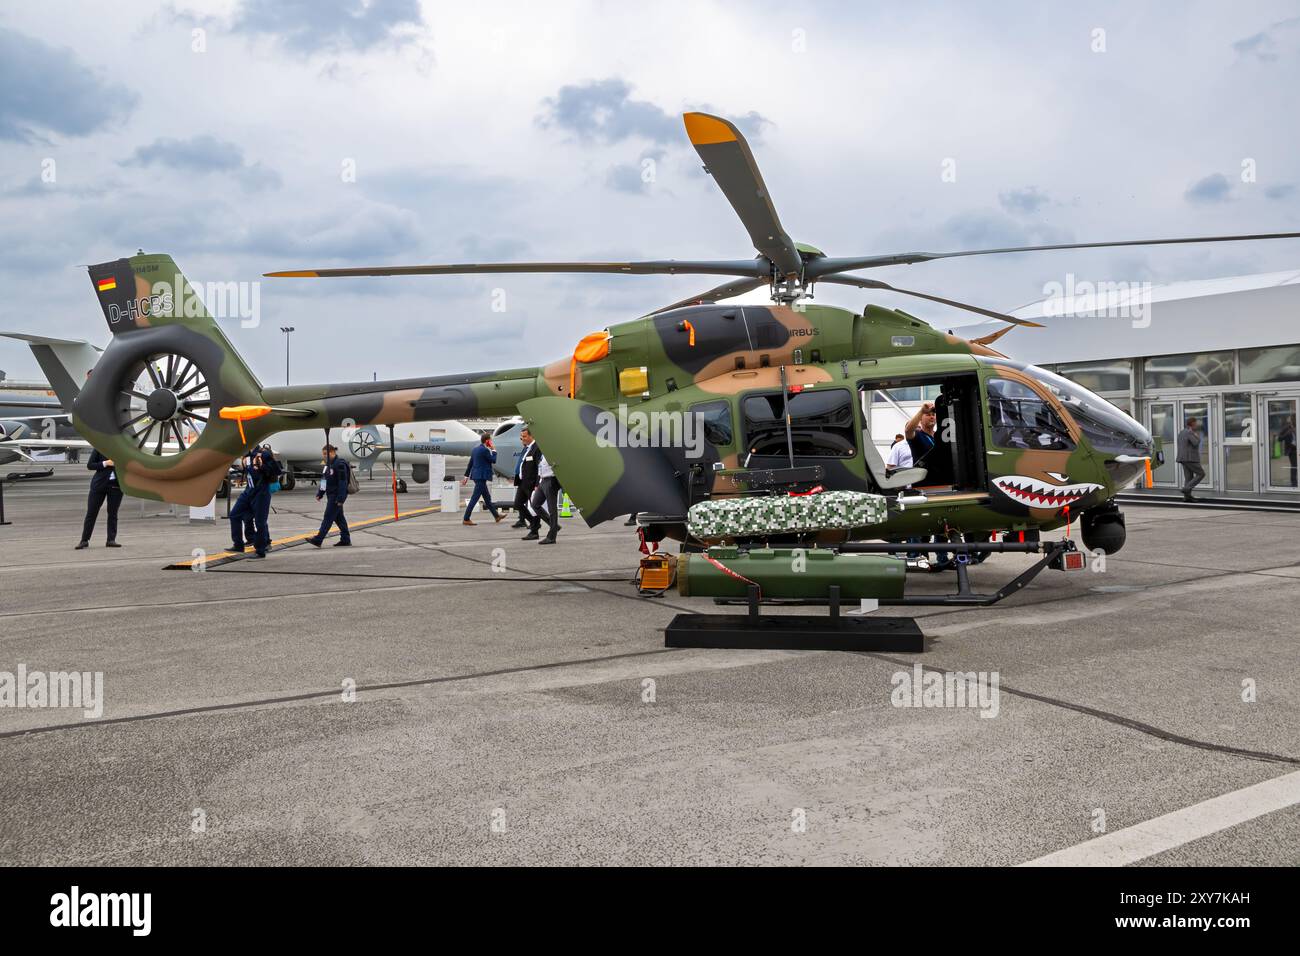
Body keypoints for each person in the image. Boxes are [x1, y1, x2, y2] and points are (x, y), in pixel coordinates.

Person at [76, 448, 123, 549]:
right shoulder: (100, 448)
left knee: (113, 513)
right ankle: (84, 540)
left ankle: (111, 540)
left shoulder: (123, 450)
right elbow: (90, 465)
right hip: (99, 485)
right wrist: (106, 463)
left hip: (116, 486)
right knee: (91, 513)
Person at [308, 444, 352, 547]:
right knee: (339, 518)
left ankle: (318, 539)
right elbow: (324, 480)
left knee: (328, 517)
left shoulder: (340, 464)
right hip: (330, 495)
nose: (324, 456)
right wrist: (320, 493)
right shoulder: (328, 465)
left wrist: (341, 498)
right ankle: (345, 539)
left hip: (336, 496)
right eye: (323, 454)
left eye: (325, 454)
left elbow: (343, 482)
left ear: (332, 453)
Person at [461, 433, 505, 525]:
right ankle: (466, 518)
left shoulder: (475, 450)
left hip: (477, 476)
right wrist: (494, 450)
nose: (492, 442)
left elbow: (470, 464)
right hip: (481, 477)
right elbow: (493, 460)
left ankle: (496, 516)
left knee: (487, 499)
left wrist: (466, 476)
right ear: (487, 441)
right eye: (491, 440)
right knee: (474, 498)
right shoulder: (485, 450)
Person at [524, 449, 561, 544]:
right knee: (535, 504)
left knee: (552, 508)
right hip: (543, 480)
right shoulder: (543, 452)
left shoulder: (554, 450)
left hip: (551, 480)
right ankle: (554, 525)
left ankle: (551, 537)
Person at [511, 427, 541, 528]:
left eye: (524, 436)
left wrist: (537, 484)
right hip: (522, 482)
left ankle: (543, 525)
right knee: (517, 504)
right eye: (521, 437)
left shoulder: (537, 448)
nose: (522, 439)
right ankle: (533, 523)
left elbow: (538, 468)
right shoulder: (526, 448)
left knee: (534, 507)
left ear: (532, 436)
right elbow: (522, 464)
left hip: (531, 483)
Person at [1176, 417, 1205, 502]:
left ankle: (1187, 497)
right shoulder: (1190, 432)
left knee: (1188, 478)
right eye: (1196, 423)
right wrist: (1197, 437)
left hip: (1182, 458)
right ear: (1192, 424)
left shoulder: (1181, 432)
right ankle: (1186, 488)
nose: (1196, 425)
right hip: (1190, 458)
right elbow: (1195, 443)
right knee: (1201, 474)